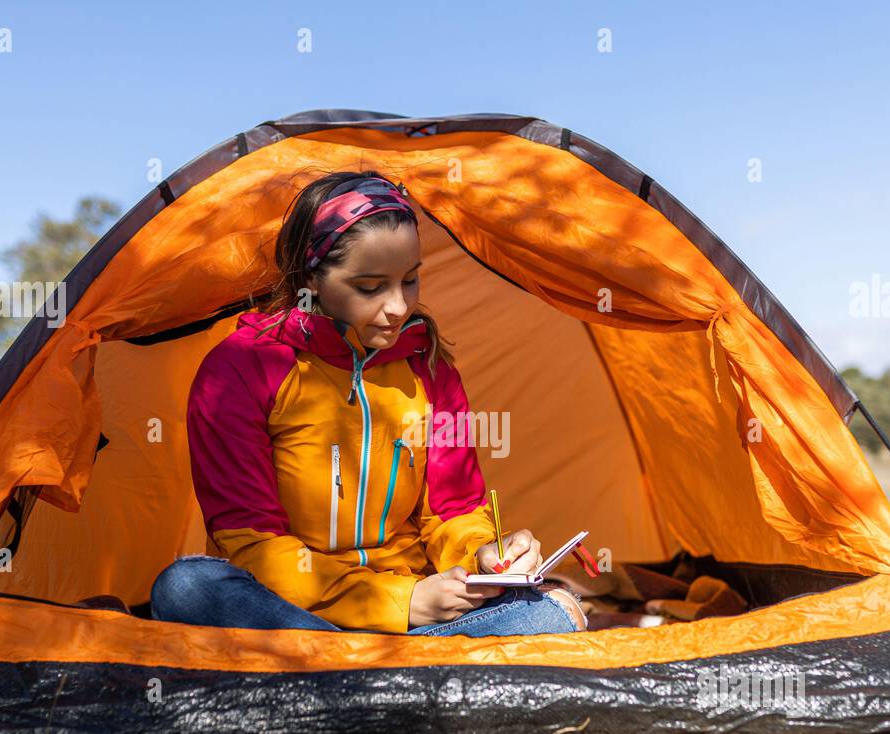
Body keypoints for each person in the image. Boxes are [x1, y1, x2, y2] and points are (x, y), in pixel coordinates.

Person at [150, 170, 586, 637]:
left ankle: (343, 680)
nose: (399, 307)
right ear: (311, 279)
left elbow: (455, 512)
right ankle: (394, 673)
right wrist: (401, 602)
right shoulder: (239, 369)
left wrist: (484, 555)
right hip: (290, 612)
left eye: (411, 280)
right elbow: (252, 543)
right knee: (186, 586)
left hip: (406, 614)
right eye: (370, 286)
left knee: (558, 608)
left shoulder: (431, 370)